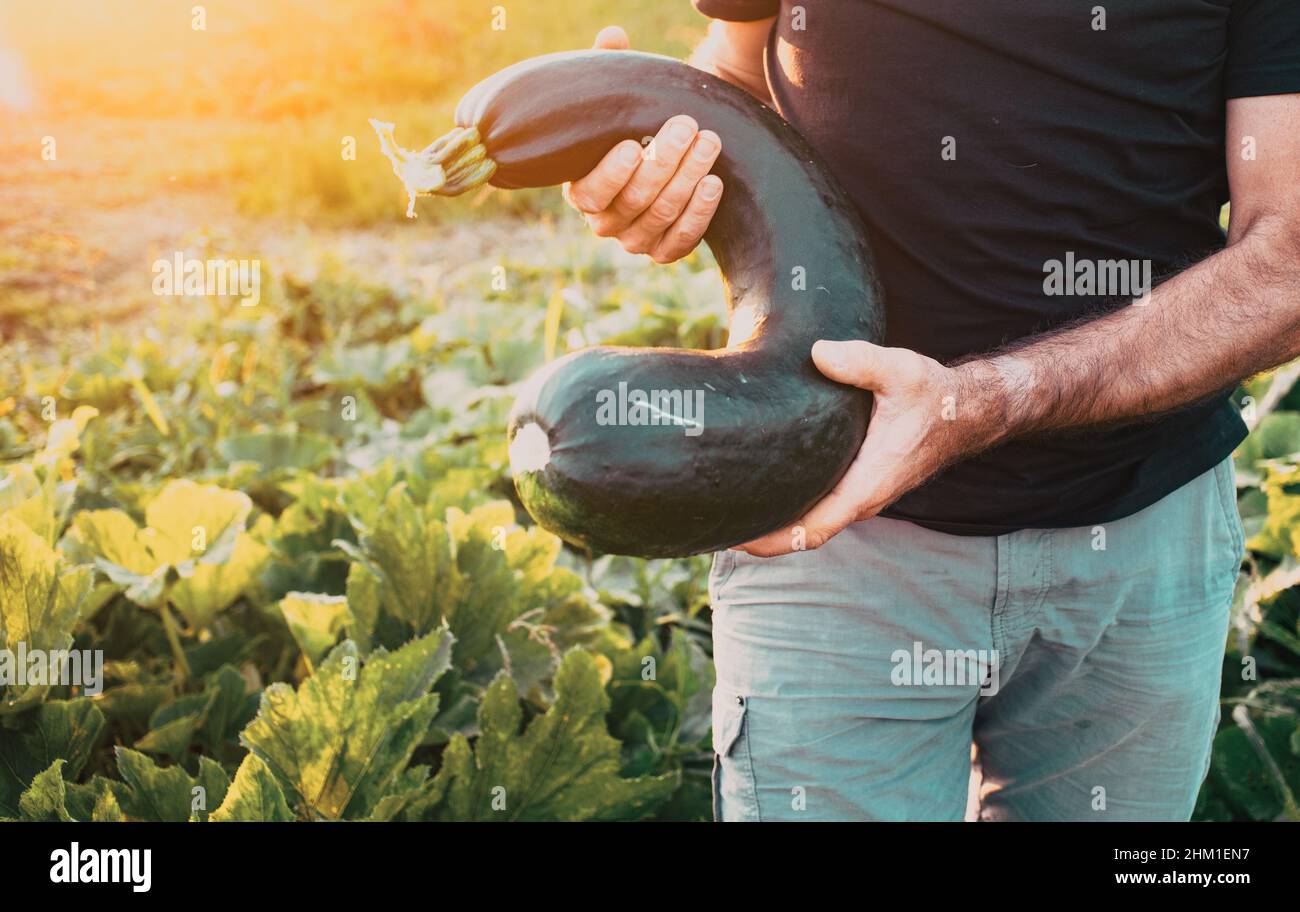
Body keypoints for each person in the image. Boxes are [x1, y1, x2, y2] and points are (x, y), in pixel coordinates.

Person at [566, 5, 1300, 820]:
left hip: (1141, 537)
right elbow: (740, 73)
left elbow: (1289, 264)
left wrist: (974, 406)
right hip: (832, 521)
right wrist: (663, 158)